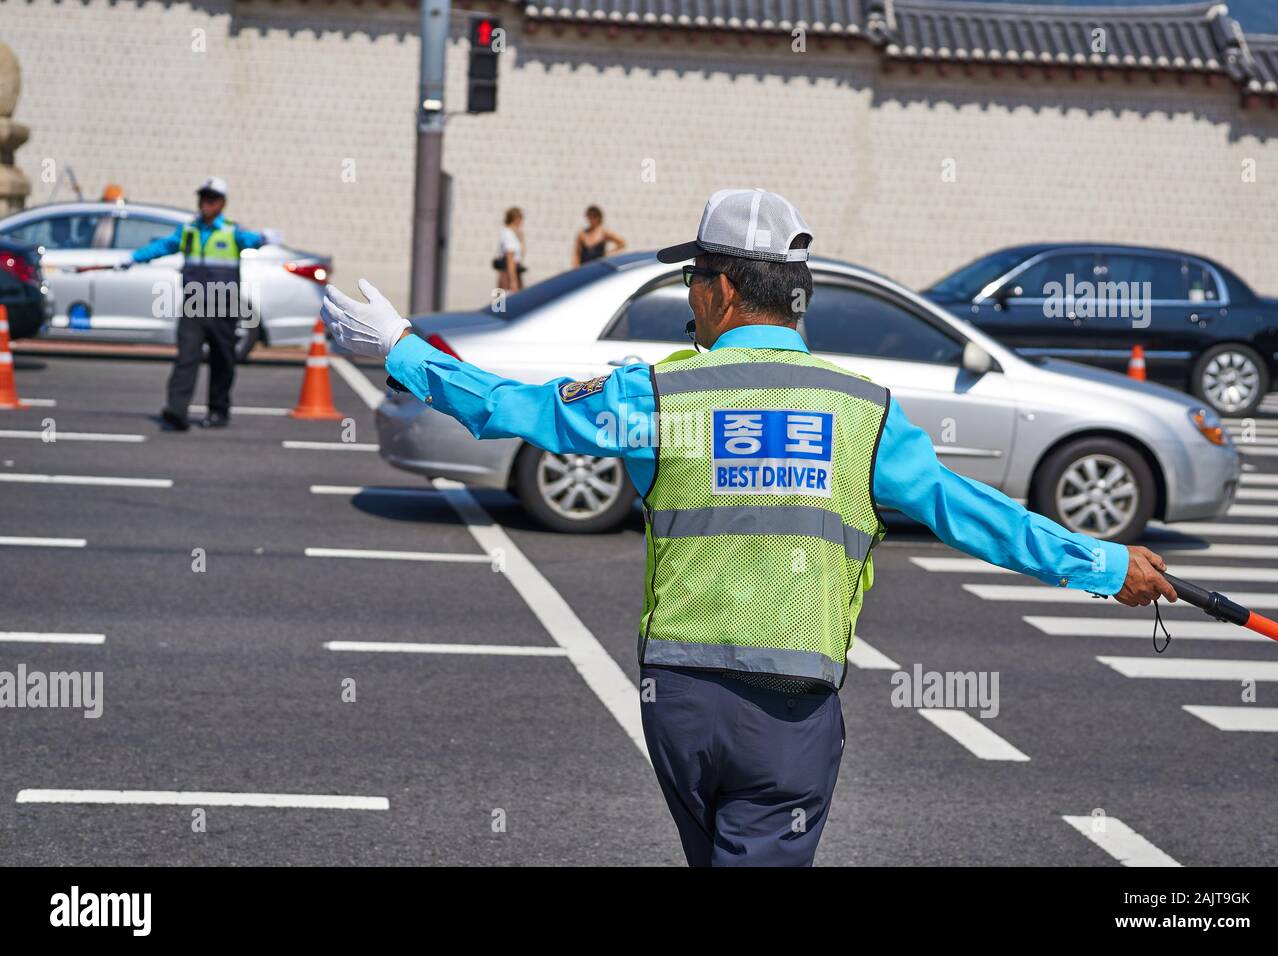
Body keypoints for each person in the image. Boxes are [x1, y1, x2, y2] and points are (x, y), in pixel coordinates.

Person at [321, 188, 1177, 867]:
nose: (688, 297)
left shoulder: (663, 394)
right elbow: (978, 516)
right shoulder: (863, 412)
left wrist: (404, 348)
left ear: (722, 288)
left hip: (677, 706)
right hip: (791, 714)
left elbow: (516, 410)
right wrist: (1104, 565)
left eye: (692, 278)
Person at [119, 177, 281, 430]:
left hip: (224, 306)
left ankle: (218, 411)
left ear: (222, 203)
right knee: (187, 358)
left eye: (212, 199)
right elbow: (164, 246)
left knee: (222, 360)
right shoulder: (189, 231)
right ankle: (176, 411)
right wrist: (134, 257)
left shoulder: (231, 231)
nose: (206, 203)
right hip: (193, 306)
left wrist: (264, 238)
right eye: (203, 198)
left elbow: (251, 240)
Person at [493, 207, 525, 294]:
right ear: (515, 219)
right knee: (506, 303)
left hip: (513, 272)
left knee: (503, 303)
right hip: (508, 274)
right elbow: (510, 258)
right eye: (520, 218)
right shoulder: (508, 234)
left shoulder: (515, 233)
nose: (522, 221)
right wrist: (513, 281)